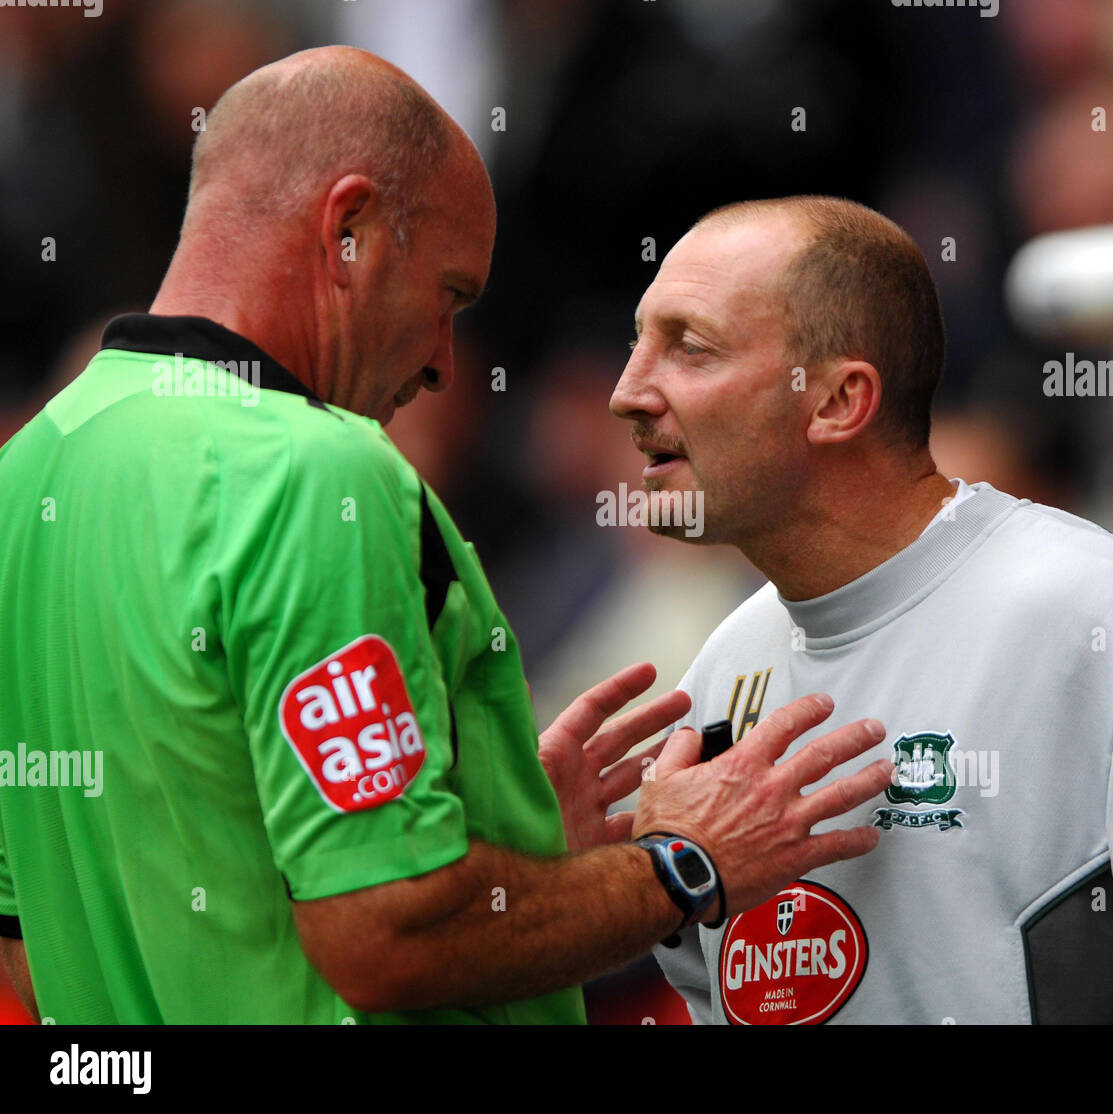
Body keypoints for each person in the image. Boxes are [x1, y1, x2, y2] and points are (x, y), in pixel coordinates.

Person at [0, 51, 897, 1024]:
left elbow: (37, 950)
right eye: (449, 298)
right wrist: (683, 863)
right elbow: (390, 932)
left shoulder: (27, 474)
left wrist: (502, 852)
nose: (441, 364)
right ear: (348, 230)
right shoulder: (316, 476)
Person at [610, 195, 1113, 1025]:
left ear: (837, 401)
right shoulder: (729, 663)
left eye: (690, 347)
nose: (628, 393)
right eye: (636, 341)